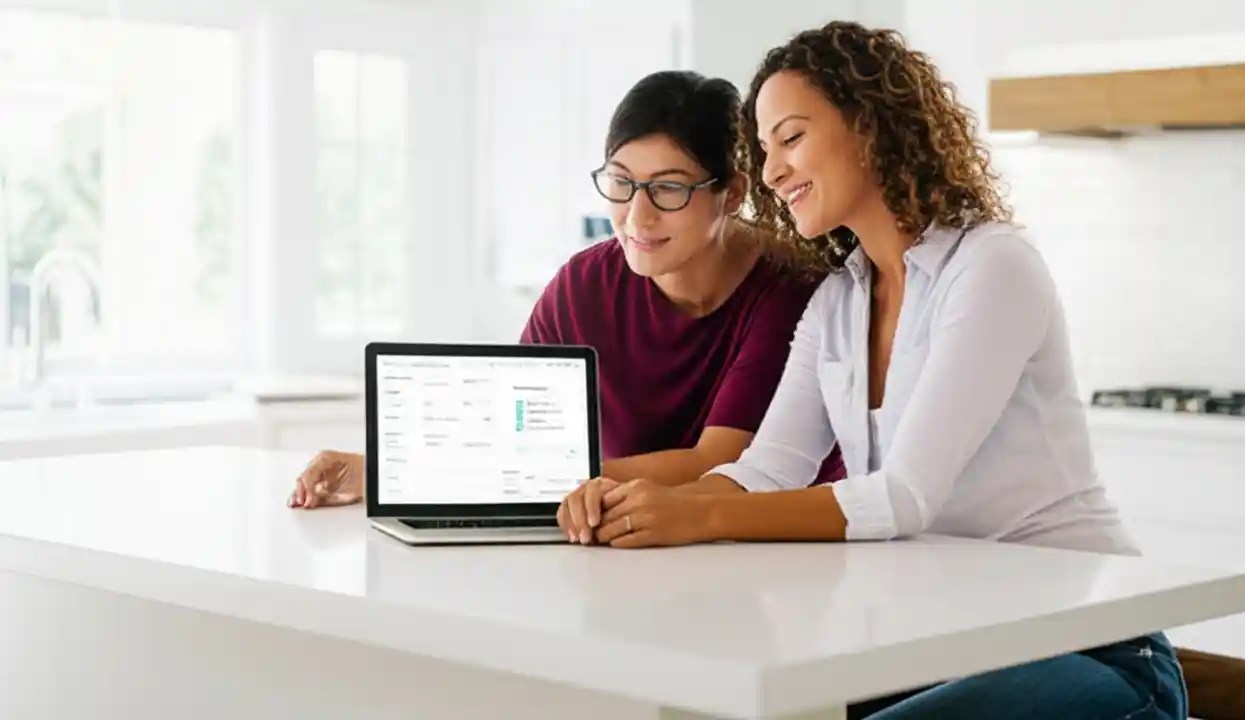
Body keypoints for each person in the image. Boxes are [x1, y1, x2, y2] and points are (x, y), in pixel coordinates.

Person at [583, 22, 1188, 720]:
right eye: (765, 146)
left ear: (869, 126)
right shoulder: (840, 299)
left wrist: (698, 514)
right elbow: (765, 467)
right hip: (942, 650)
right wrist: (635, 509)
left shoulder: (990, 267)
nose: (773, 172)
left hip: (1094, 651)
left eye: (792, 137)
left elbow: (904, 496)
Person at [288, 70, 843, 523]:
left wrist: (550, 481)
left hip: (767, 560)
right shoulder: (584, 286)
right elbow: (510, 431)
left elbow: (719, 461)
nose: (637, 216)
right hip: (619, 547)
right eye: (622, 182)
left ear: (732, 194)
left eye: (669, 189)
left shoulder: (787, 289)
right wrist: (385, 471)